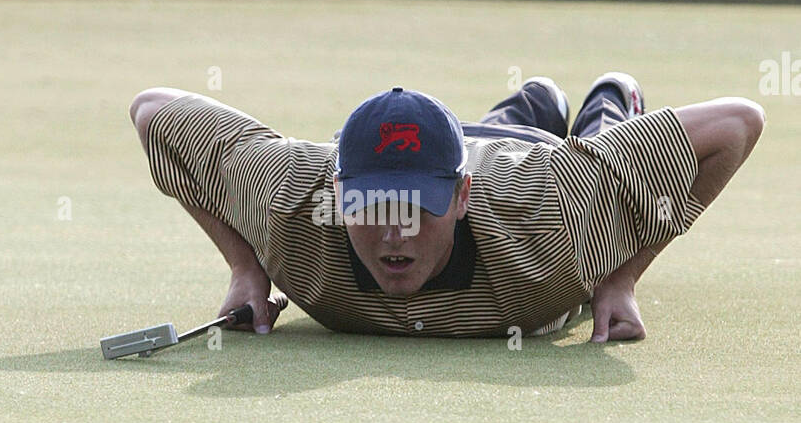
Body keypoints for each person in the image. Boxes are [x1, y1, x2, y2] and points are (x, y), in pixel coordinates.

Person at [128, 73, 764, 342]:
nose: (394, 230)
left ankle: (606, 95)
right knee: (485, 130)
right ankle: (530, 100)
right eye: (373, 204)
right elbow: (153, 110)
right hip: (463, 149)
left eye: (418, 206)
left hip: (533, 161)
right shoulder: (295, 194)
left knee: (600, 149)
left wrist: (620, 274)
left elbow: (738, 122)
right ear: (340, 193)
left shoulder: (555, 211)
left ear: (457, 199)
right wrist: (248, 270)